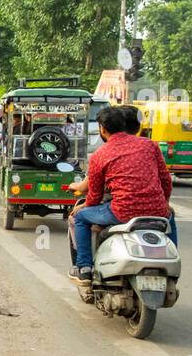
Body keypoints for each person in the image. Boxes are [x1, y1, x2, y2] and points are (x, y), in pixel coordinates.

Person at [70, 105, 172, 283]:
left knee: (80, 217)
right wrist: (164, 203)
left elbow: (93, 196)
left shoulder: (99, 155)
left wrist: (84, 206)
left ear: (102, 129)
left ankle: (84, 268)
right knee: (170, 217)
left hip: (122, 211)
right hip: (156, 210)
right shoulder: (149, 145)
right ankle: (170, 262)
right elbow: (166, 181)